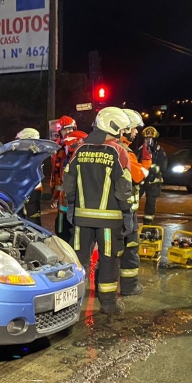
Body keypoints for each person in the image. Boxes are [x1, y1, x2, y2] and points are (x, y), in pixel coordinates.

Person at [63, 107, 133, 314]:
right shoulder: (118, 151)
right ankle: (109, 303)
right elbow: (123, 187)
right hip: (110, 222)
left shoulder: (80, 150)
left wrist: (72, 206)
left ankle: (73, 301)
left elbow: (69, 181)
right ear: (114, 127)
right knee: (109, 259)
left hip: (82, 219)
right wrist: (127, 212)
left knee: (79, 260)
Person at [118, 109, 148, 296]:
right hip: (126, 211)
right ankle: (130, 286)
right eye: (134, 129)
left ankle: (103, 287)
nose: (136, 133)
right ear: (125, 129)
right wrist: (147, 161)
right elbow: (138, 176)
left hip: (111, 210)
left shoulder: (106, 147)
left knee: (110, 251)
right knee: (130, 248)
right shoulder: (125, 152)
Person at [50, 129, 88, 241]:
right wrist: (56, 197)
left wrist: (56, 196)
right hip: (67, 207)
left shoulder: (74, 161)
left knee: (68, 235)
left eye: (67, 145)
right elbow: (61, 182)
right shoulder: (67, 159)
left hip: (72, 208)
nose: (65, 148)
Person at [137, 126, 168, 225]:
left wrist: (153, 170)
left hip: (154, 181)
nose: (148, 141)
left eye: (151, 139)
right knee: (134, 199)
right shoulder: (140, 149)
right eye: (146, 139)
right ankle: (130, 219)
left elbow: (163, 166)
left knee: (150, 202)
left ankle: (147, 222)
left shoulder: (160, 151)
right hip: (142, 180)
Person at [15, 128, 43, 224]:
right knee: (29, 217)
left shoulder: (30, 154)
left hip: (30, 189)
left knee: (31, 219)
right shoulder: (35, 153)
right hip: (31, 189)